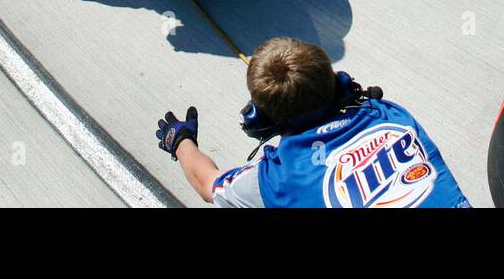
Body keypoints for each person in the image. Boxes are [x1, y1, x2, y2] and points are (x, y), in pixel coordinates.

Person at [155, 37, 470, 208]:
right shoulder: (389, 113)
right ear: (339, 82)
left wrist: (180, 140)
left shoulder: (275, 181)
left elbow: (207, 183)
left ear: (260, 121)